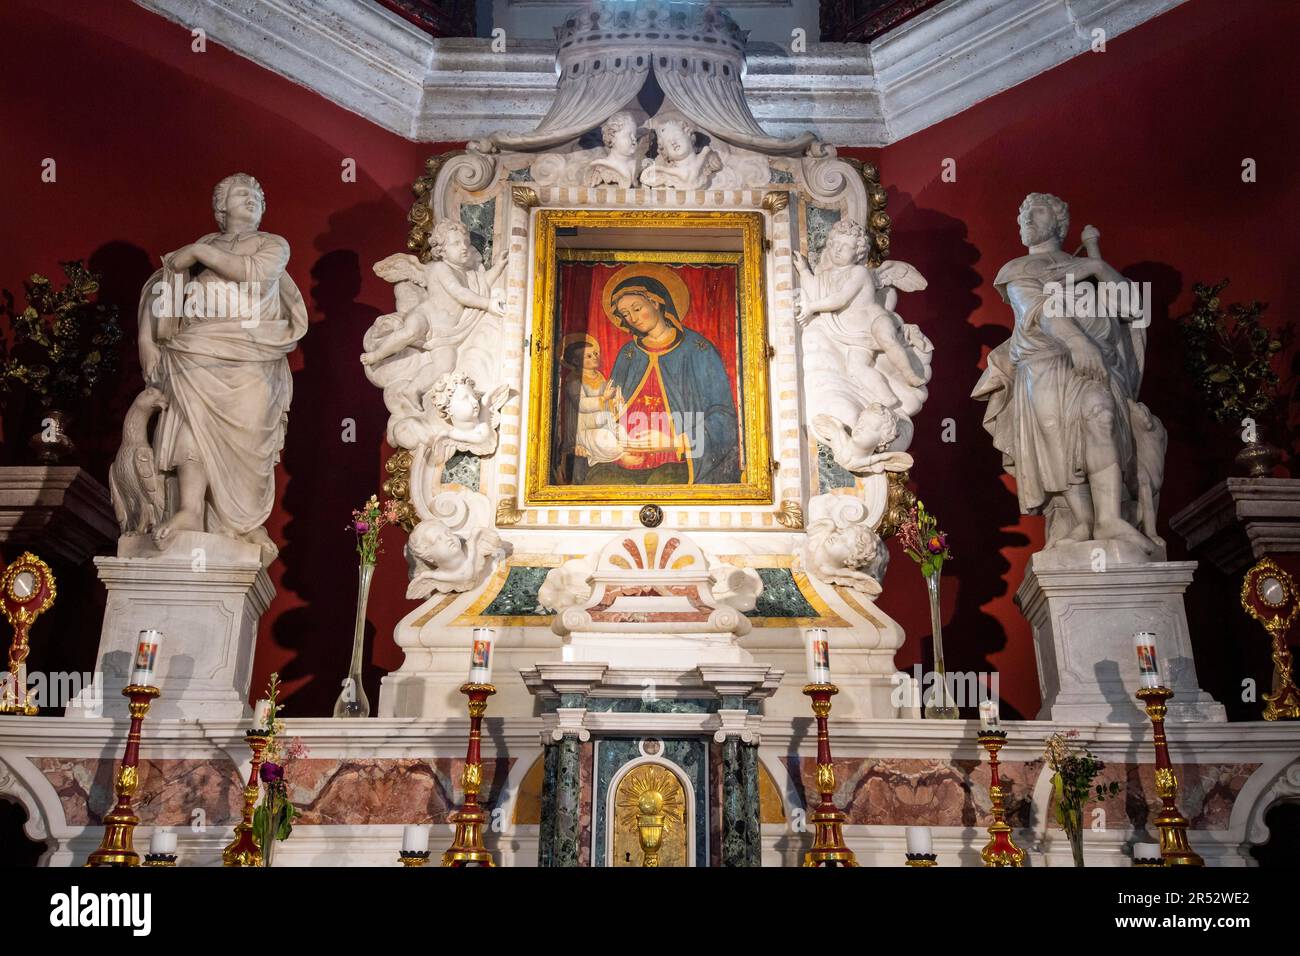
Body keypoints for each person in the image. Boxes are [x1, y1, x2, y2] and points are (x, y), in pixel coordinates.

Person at [135, 173, 308, 565]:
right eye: (241, 194)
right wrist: (147, 340)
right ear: (221, 207)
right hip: (196, 346)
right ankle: (190, 509)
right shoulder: (198, 250)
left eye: (257, 196)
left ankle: (239, 521)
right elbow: (159, 290)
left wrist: (198, 253)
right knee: (190, 422)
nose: (251, 199)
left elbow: (253, 272)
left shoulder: (271, 245)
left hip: (251, 351)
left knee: (247, 436)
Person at [582, 267, 740, 485]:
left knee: (663, 483)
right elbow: (607, 412)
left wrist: (676, 442)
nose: (633, 318)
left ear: (656, 302)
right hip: (622, 461)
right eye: (626, 314)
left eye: (637, 308)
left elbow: (724, 420)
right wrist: (616, 450)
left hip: (679, 463)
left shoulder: (698, 350)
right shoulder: (628, 355)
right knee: (597, 483)